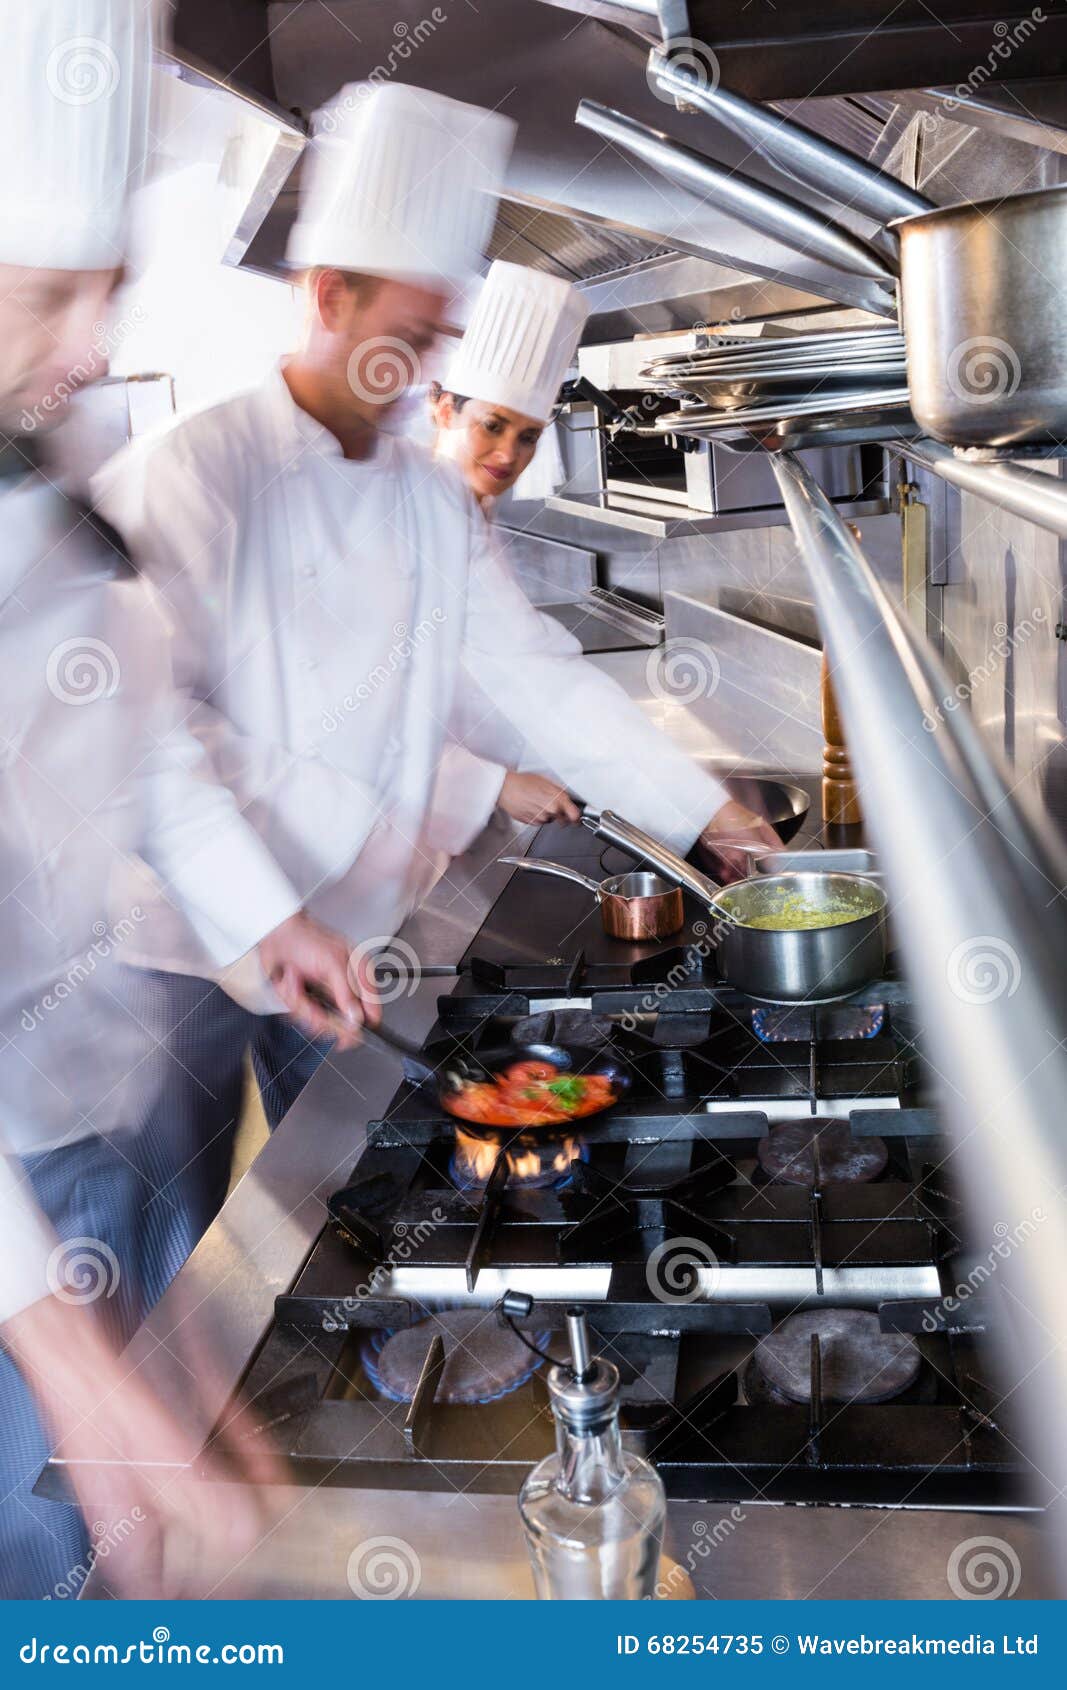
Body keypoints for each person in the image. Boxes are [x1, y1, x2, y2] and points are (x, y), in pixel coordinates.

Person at [95, 79, 778, 1162]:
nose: (421, 372)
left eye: (435, 339)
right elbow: (137, 733)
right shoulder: (197, 473)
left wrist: (705, 814)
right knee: (153, 1233)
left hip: (351, 923)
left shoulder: (422, 495)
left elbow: (532, 675)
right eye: (407, 336)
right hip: (175, 938)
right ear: (326, 296)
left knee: (321, 1172)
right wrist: (268, 908)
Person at [0, 0, 373, 1599]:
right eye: (54, 296)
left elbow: (138, 740)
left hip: (83, 1088)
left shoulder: (43, 455)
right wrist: (76, 1371)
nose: (94, 343)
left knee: (129, 1515)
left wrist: (261, 915)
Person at [423, 259, 784, 860]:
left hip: (422, 830)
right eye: (492, 425)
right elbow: (341, 703)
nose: (508, 453)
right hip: (357, 849)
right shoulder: (417, 515)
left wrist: (710, 813)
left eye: (529, 434)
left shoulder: (463, 512)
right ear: (442, 409)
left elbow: (528, 683)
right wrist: (482, 784)